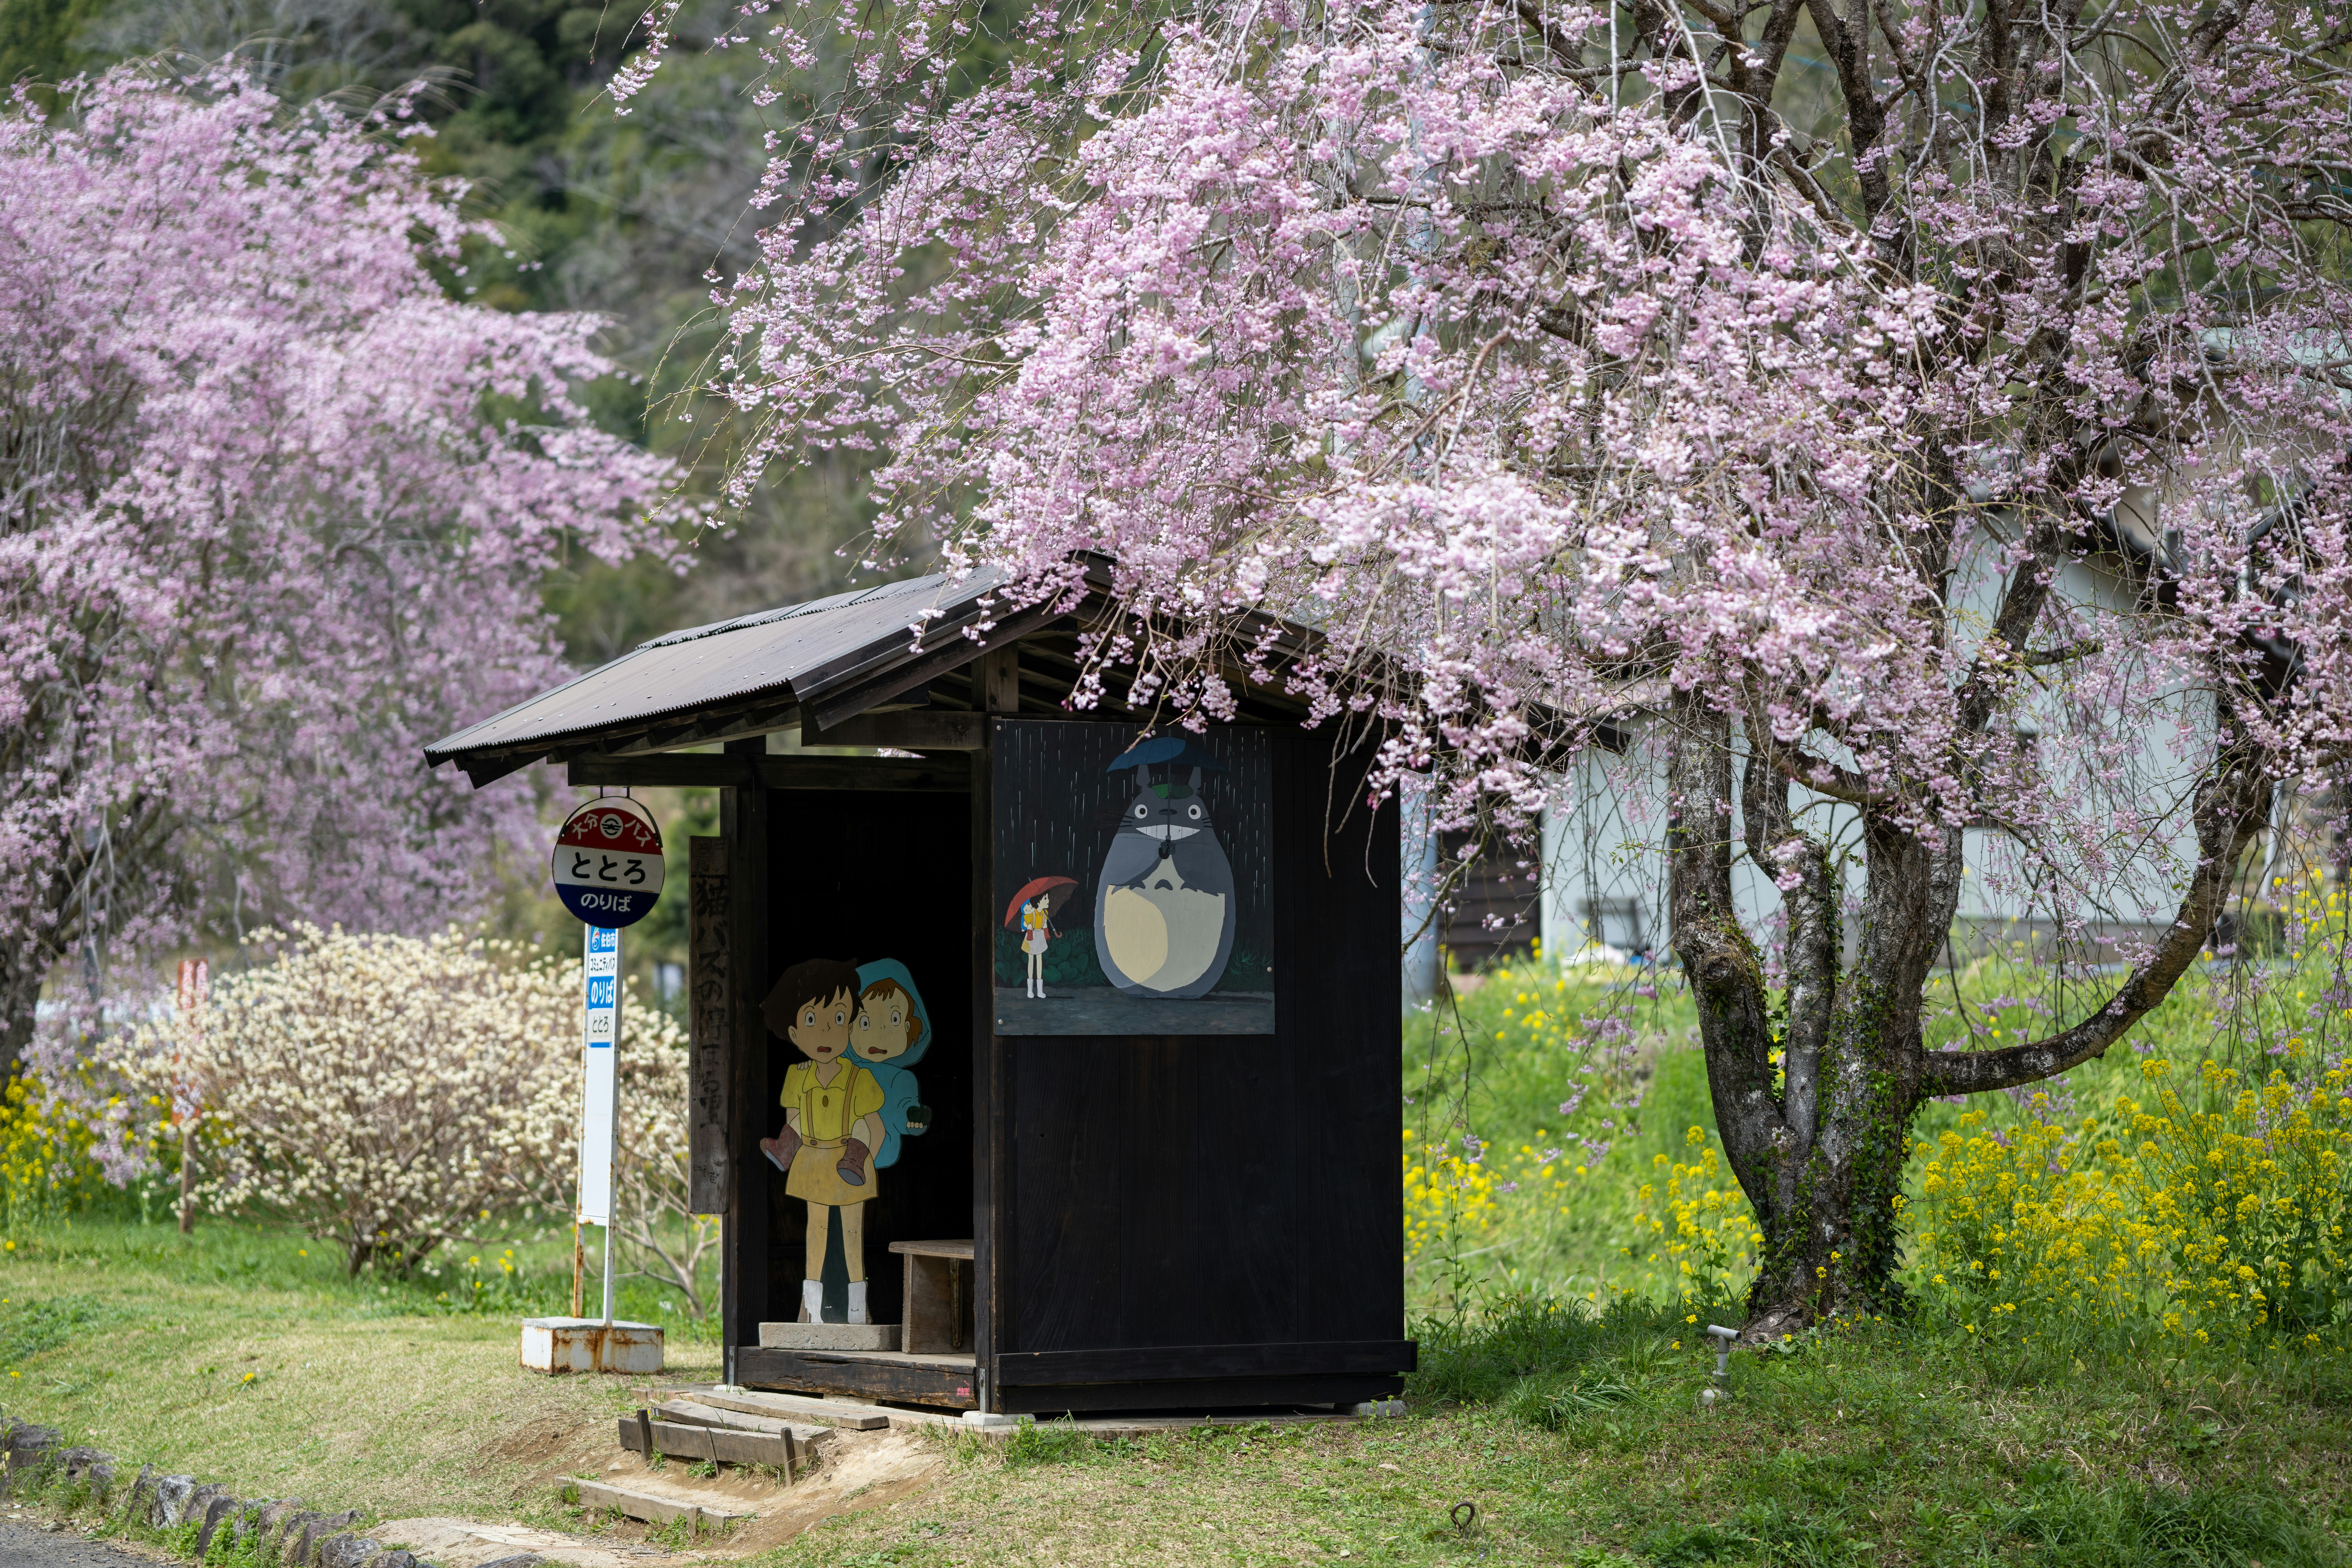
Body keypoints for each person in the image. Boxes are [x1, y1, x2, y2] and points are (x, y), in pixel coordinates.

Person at [759, 958, 885, 1325]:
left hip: (850, 1162)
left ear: (851, 1025)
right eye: (812, 1021)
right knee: (815, 1232)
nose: (825, 1033)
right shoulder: (797, 1076)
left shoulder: (860, 1077)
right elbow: (793, 1118)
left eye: (839, 1019)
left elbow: (874, 1126)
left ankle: (858, 1312)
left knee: (852, 1233)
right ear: (795, 1033)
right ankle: (811, 1311)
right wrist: (792, 1146)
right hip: (813, 1159)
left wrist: (866, 1158)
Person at [854, 960, 934, 1169]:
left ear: (909, 1027)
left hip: (881, 1155)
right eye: (865, 1023)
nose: (879, 1034)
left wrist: (913, 1118)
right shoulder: (844, 1070)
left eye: (895, 1019)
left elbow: (904, 1110)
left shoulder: (902, 1079)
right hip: (838, 1152)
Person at [1021, 896, 1053, 997]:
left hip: (1040, 937)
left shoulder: (1045, 914)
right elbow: (1025, 925)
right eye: (1045, 899)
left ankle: (1040, 990)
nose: (1048, 901)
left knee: (1040, 961)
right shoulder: (1030, 914)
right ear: (1038, 902)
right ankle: (1030, 990)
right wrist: (1027, 927)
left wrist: (1047, 934)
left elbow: (1044, 925)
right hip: (1032, 937)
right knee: (1031, 960)